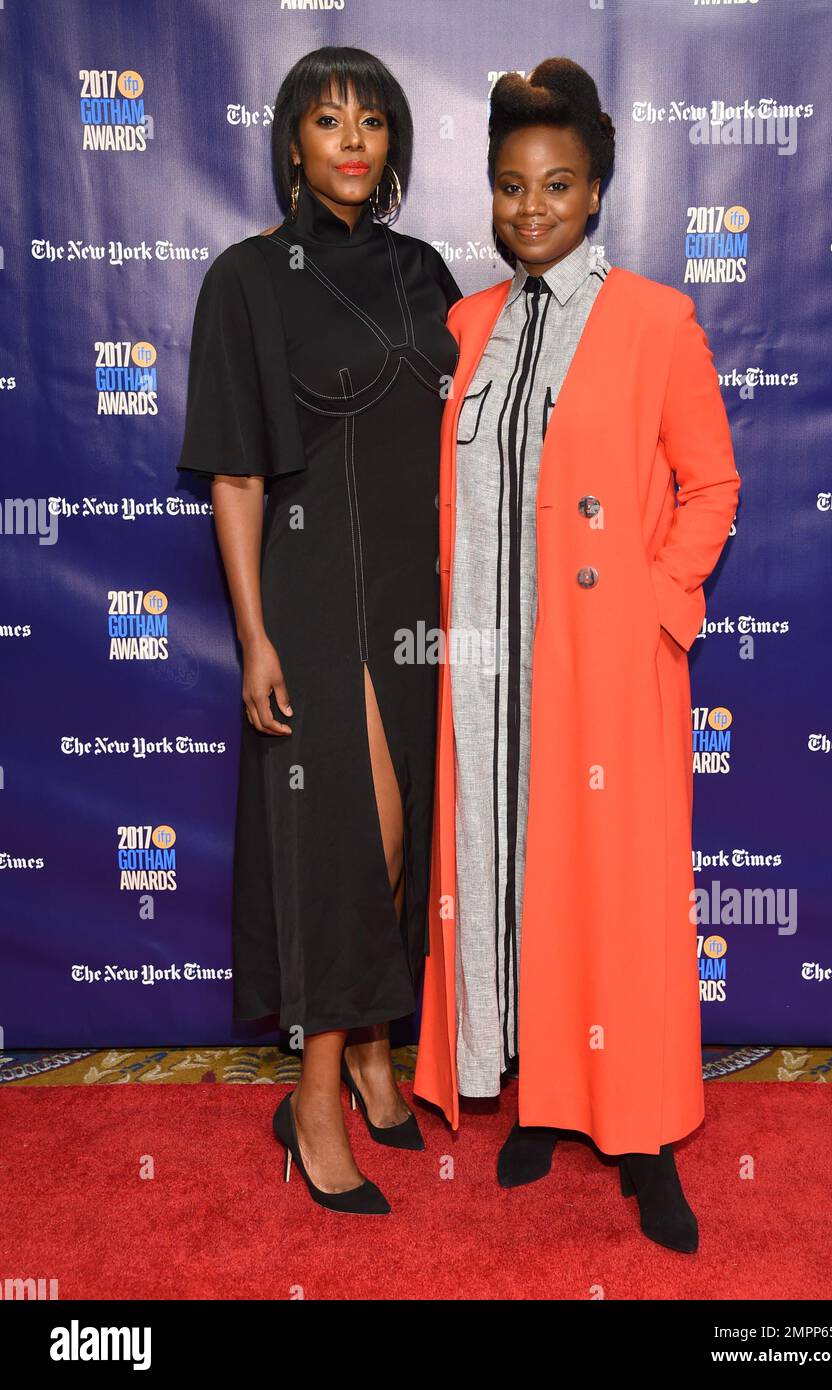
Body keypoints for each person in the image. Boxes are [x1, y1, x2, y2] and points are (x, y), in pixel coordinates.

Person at [414, 58, 741, 1253]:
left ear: (594, 191)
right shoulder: (471, 324)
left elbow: (708, 485)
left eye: (555, 184)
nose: (530, 208)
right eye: (509, 187)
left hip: (607, 671)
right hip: (491, 674)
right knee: (508, 874)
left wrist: (658, 606)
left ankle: (643, 1133)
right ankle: (539, 1097)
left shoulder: (654, 318)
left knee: (617, 893)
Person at [176, 47, 461, 1214]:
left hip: (419, 591)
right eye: (325, 118)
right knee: (358, 837)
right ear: (290, 141)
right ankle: (312, 1095)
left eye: (371, 120)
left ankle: (381, 1062)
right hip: (310, 584)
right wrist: (252, 634)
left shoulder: (424, 269)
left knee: (409, 841)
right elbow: (236, 476)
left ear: (392, 142)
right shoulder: (248, 278)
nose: (351, 138)